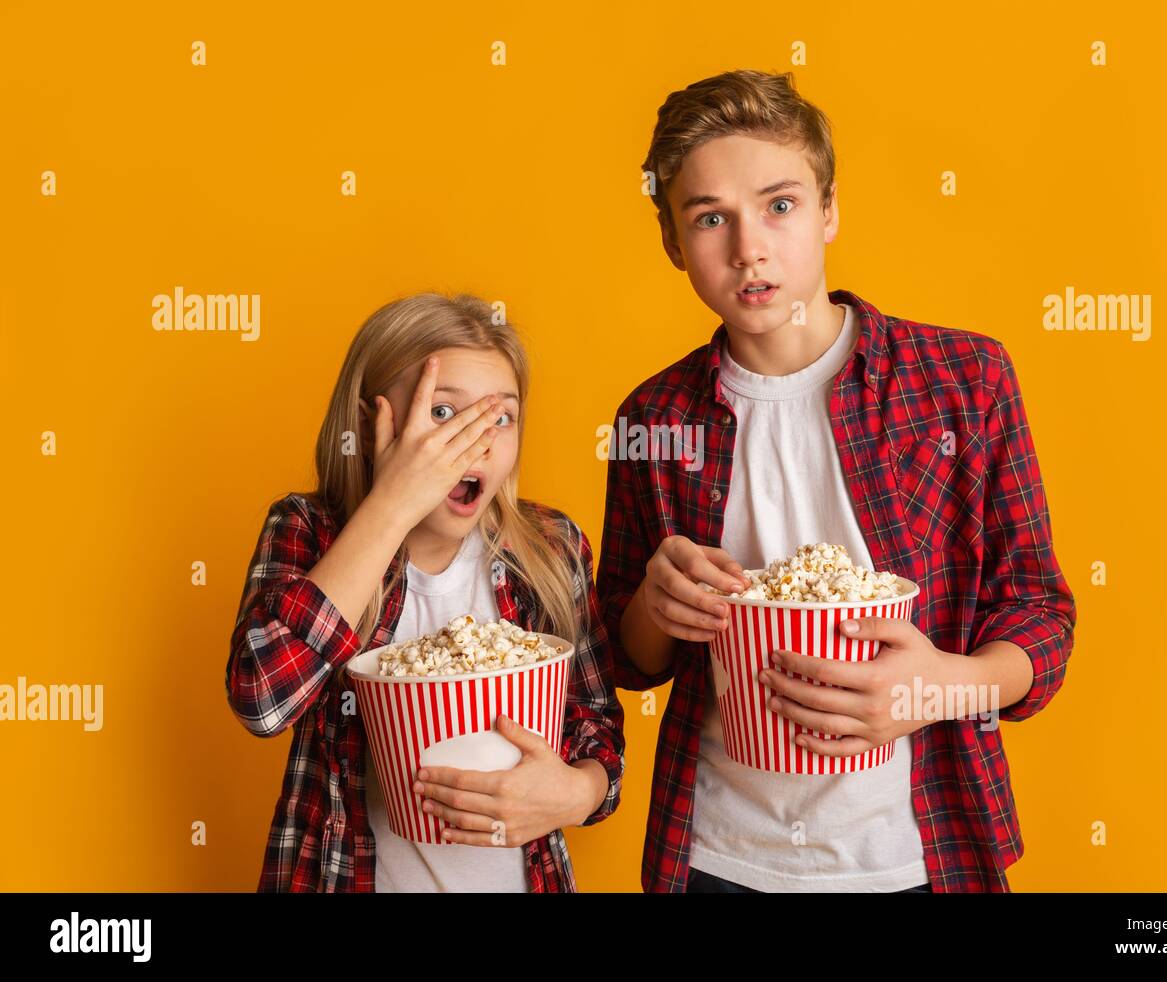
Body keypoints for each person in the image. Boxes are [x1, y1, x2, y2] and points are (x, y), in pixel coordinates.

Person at [597, 69, 1076, 893]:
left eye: (780, 205)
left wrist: (933, 687)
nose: (750, 247)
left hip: (916, 848)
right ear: (674, 243)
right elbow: (627, 661)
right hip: (717, 853)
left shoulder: (965, 380)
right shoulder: (652, 415)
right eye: (711, 218)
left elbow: (1042, 616)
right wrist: (653, 603)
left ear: (828, 211)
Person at [227, 291, 624, 892]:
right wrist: (391, 504)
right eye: (443, 414)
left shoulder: (551, 549)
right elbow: (261, 699)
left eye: (501, 417)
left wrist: (577, 794)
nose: (478, 442)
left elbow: (598, 732)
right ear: (371, 423)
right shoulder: (309, 531)